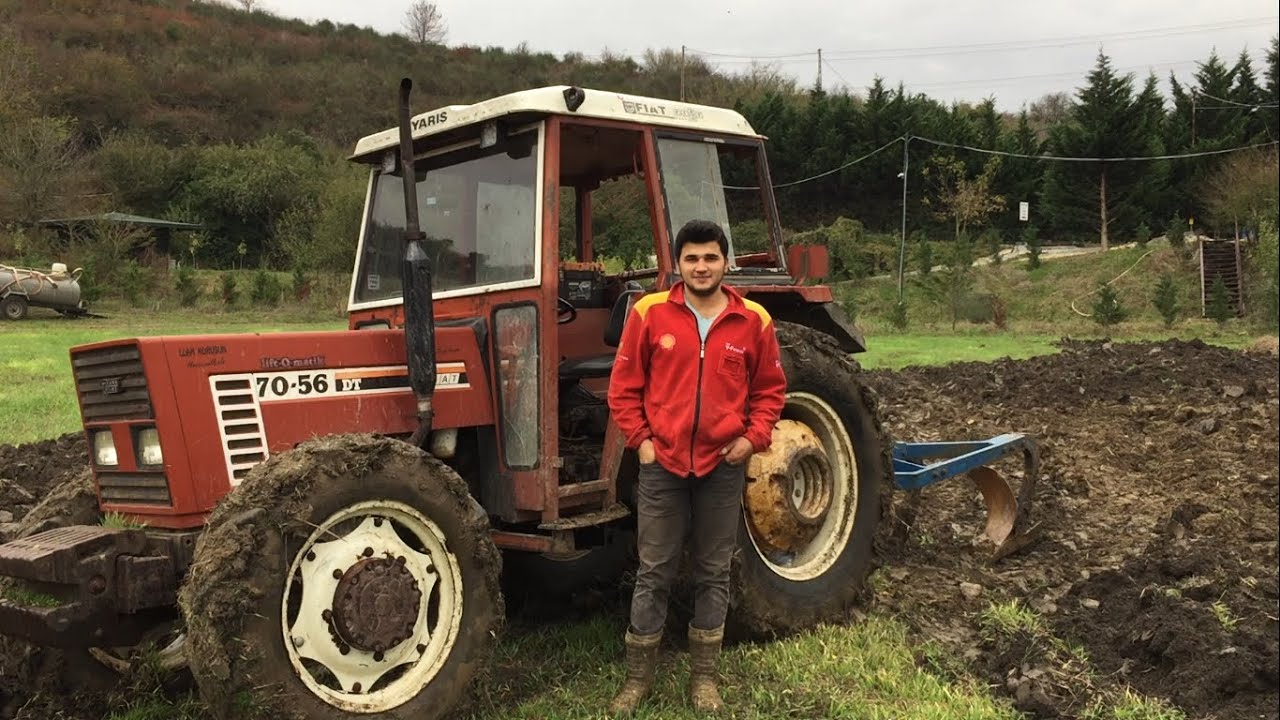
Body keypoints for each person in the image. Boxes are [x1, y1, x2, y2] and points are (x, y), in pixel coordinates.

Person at [605, 219, 787, 714]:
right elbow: (623, 388)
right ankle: (637, 679)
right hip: (662, 465)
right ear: (678, 264)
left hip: (721, 467)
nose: (701, 266)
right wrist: (641, 441)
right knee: (654, 570)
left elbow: (770, 392)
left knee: (712, 571)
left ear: (725, 262)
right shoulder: (649, 313)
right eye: (691, 258)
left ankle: (704, 678)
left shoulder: (754, 321)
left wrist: (752, 439)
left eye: (710, 257)